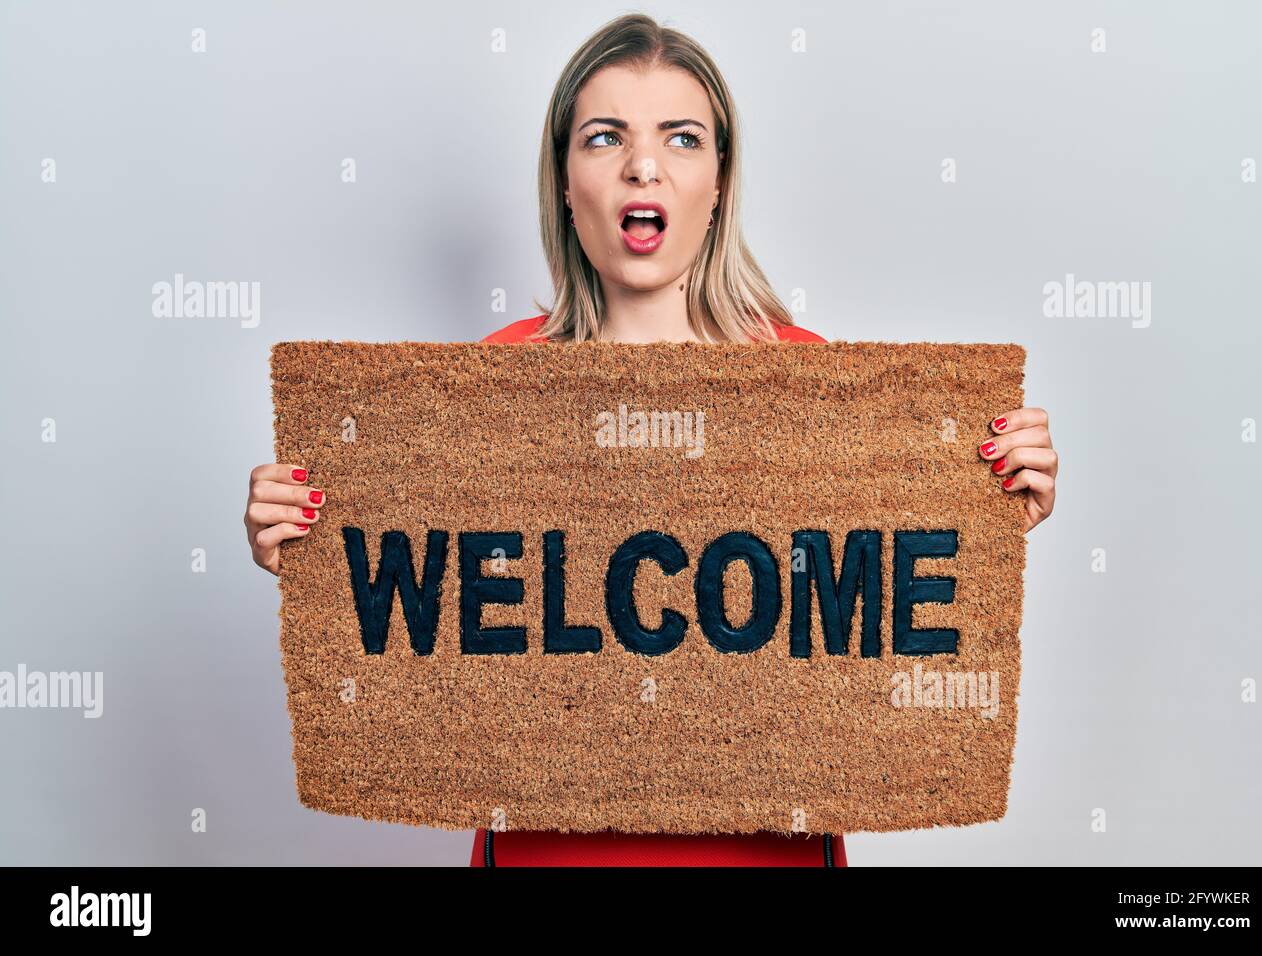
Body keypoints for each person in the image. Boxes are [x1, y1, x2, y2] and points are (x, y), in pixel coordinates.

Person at [244, 13, 1058, 866]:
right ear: (565, 181)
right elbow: (417, 620)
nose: (644, 164)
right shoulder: (486, 385)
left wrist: (987, 509)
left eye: (681, 137)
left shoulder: (818, 387)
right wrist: (306, 549)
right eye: (604, 138)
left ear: (718, 181)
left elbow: (873, 620)